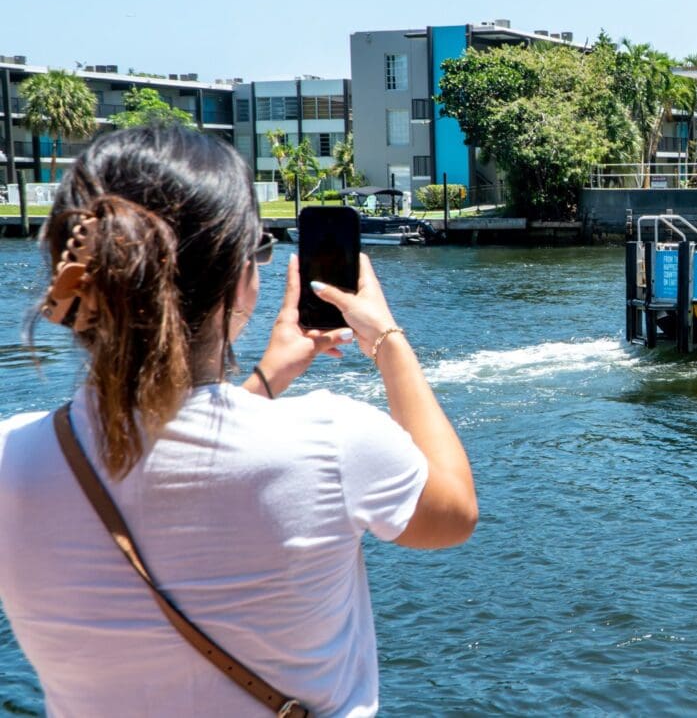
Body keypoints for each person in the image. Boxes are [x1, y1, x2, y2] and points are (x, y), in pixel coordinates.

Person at [0, 126, 477, 715]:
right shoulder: (333, 441)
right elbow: (453, 513)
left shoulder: (12, 460)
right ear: (240, 277)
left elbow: (171, 452)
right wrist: (386, 339)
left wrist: (266, 380)